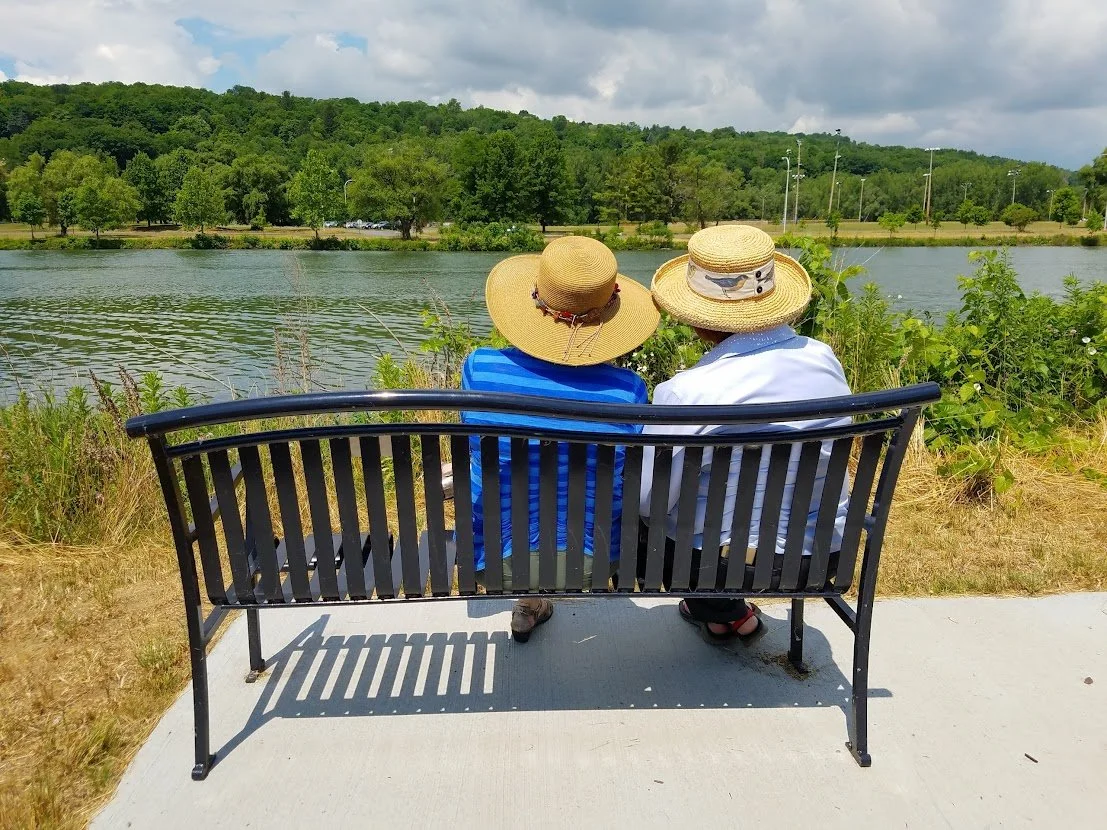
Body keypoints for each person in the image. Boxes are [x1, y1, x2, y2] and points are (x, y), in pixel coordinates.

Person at [640, 224, 853, 645]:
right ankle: (726, 614)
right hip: (818, 558)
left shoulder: (686, 391)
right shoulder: (824, 361)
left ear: (698, 320)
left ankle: (718, 608)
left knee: (641, 514)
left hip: (709, 567)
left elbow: (651, 502)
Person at [462, 235, 660, 642]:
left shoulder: (480, 370)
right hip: (591, 564)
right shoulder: (627, 391)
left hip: (495, 561)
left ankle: (530, 601)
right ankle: (536, 601)